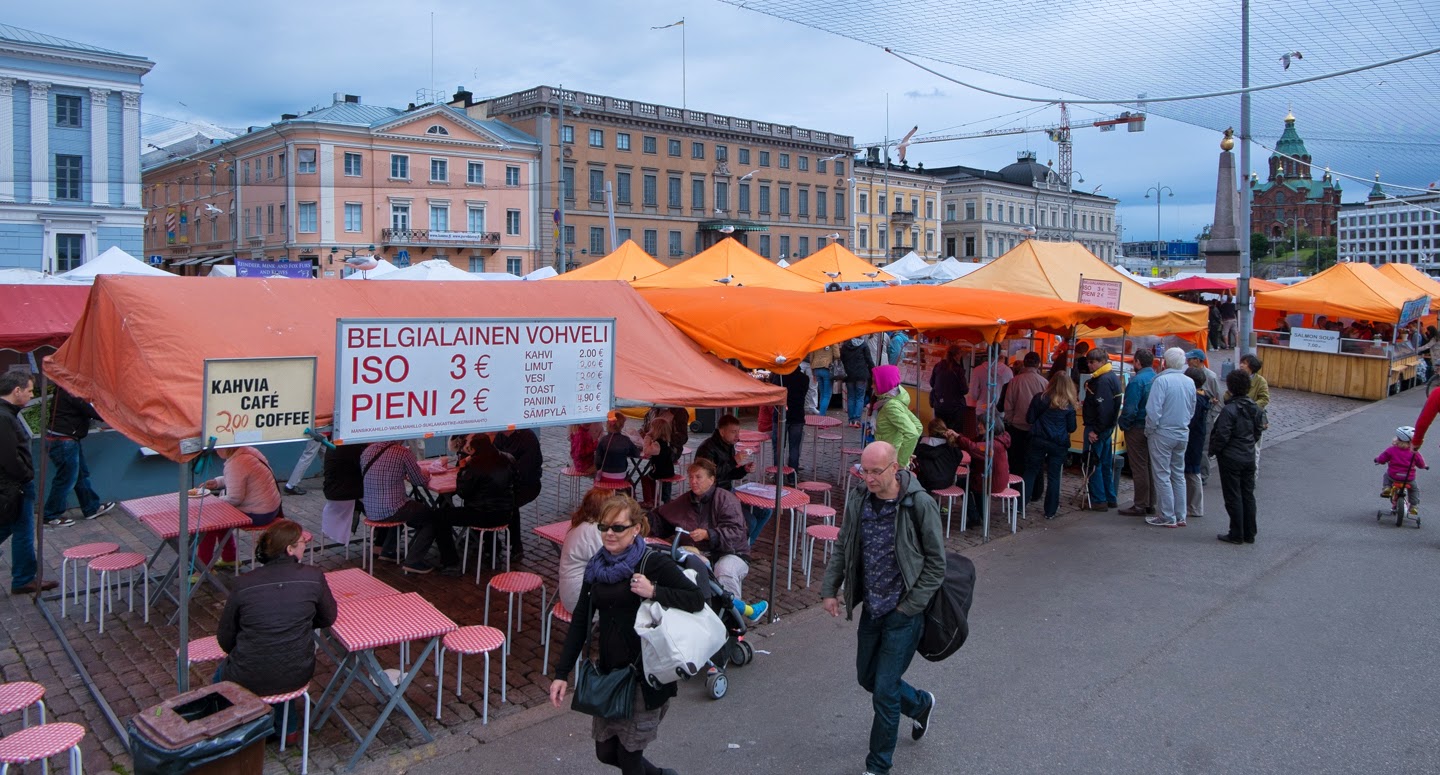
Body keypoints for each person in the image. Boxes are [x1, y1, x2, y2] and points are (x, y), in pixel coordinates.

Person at [550, 496, 703, 775]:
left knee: (630, 756)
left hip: (644, 675)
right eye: (604, 526)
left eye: (618, 527)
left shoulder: (650, 563)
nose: (609, 533)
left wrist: (654, 591)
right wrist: (561, 673)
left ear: (635, 529)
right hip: (611, 673)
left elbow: (696, 599)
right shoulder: (597, 567)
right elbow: (581, 619)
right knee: (606, 751)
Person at [821, 441, 945, 775]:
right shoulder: (859, 498)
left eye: (876, 471)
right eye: (864, 470)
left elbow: (937, 563)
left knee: (885, 691)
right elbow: (844, 545)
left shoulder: (918, 504)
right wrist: (830, 588)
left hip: (903, 613)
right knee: (868, 678)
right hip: (872, 608)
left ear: (896, 468)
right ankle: (920, 704)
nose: (869, 478)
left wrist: (909, 607)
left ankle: (877, 766)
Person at [215, 519, 336, 736]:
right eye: (302, 542)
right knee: (278, 662)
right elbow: (327, 618)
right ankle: (286, 730)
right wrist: (299, 621)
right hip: (297, 671)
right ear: (289, 549)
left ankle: (233, 728)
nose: (305, 545)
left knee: (227, 676)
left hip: (249, 672)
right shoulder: (313, 576)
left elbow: (226, 637)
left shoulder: (244, 582)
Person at [653, 459, 768, 620]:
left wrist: (709, 534)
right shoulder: (685, 500)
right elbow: (662, 519)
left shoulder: (725, 499)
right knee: (681, 566)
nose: (693, 481)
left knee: (724, 571)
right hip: (701, 554)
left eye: (698, 477)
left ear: (711, 479)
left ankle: (730, 621)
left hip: (732, 552)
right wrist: (641, 523)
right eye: (691, 477)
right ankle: (695, 616)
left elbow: (736, 533)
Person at [403, 434, 513, 575]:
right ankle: (492, 551)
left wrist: (462, 468)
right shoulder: (507, 459)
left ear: (473, 448)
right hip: (505, 513)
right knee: (451, 513)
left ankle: (451, 562)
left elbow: (462, 492)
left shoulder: (474, 464)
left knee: (439, 516)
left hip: (482, 515)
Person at [0, 371, 56, 595]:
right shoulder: (4, 417)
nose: (31, 395)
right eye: (30, 390)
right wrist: (25, 475)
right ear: (17, 391)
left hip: (13, 483)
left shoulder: (6, 415)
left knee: (11, 526)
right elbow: (9, 455)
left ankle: (24, 576)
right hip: (15, 484)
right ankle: (24, 577)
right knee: (22, 528)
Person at [42, 384, 115, 527]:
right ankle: (50, 515)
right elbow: (91, 410)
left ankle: (91, 508)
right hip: (64, 441)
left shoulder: (67, 388)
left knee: (80, 475)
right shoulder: (71, 390)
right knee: (66, 479)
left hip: (66, 439)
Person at [199, 446, 283, 567]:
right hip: (272, 508)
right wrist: (217, 482)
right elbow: (241, 478)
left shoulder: (236, 463)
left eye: (218, 448)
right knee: (222, 516)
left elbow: (234, 499)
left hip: (259, 514)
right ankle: (230, 558)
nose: (216, 451)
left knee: (209, 523)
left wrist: (213, 502)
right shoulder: (249, 452)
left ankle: (202, 567)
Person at [1144, 349, 1196, 528]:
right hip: (1181, 431)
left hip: (1163, 432)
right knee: (1177, 474)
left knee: (1162, 474)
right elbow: (1191, 409)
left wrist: (1150, 430)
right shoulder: (1189, 382)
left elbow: (1153, 410)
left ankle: (1167, 514)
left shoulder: (1162, 381)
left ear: (1164, 362)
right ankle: (1180, 515)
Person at [1212, 370, 1264, 544]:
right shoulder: (1254, 407)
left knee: (1233, 495)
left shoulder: (1230, 409)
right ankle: (1249, 532)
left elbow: (1222, 435)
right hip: (1247, 455)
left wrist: (1215, 450)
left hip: (1231, 456)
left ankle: (1236, 532)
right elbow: (1258, 431)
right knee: (1247, 494)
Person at [360, 439, 430, 562]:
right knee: (433, 517)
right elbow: (419, 481)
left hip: (370, 509)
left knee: (404, 505)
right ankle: (414, 561)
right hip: (391, 510)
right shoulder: (402, 452)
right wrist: (426, 474)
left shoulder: (367, 450)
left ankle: (387, 550)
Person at [1024, 373, 1079, 520]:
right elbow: (1072, 428)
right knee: (1054, 477)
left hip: (1039, 439)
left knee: (1031, 471)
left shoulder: (1040, 398)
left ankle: (1021, 505)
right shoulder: (1069, 404)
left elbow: (1029, 418)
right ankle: (1050, 510)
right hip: (1058, 442)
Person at [945, 419, 1011, 523]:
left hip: (992, 481)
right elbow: (971, 442)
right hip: (992, 478)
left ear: (991, 426)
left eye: (982, 424)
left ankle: (975, 516)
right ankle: (980, 515)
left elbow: (973, 447)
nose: (979, 426)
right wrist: (958, 437)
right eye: (979, 423)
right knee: (973, 483)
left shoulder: (993, 444)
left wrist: (958, 437)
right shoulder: (994, 439)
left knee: (964, 483)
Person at [558, 487, 613, 613]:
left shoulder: (580, 524)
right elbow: (610, 561)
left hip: (571, 591)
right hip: (581, 600)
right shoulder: (593, 530)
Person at [1080, 348, 1122, 511]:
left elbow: (1104, 409)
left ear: (1102, 362)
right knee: (1104, 463)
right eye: (1089, 362)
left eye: (1092, 362)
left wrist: (1095, 431)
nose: (1089, 365)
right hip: (1106, 428)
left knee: (1094, 464)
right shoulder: (1111, 377)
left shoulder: (1103, 381)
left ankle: (1099, 499)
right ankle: (1110, 497)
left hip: (1097, 428)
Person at [1117, 349, 1157, 517]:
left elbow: (1130, 408)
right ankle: (1150, 502)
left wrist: (1124, 424)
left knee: (1139, 466)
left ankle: (1140, 504)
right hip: (1151, 426)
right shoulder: (1155, 378)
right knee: (1148, 465)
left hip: (1137, 426)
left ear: (1138, 362)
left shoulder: (1137, 381)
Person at [1001, 352, 1049, 484]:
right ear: (1038, 364)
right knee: (1036, 461)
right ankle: (1035, 490)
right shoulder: (1044, 382)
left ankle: (1016, 487)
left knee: (1016, 460)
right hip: (1037, 428)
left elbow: (1008, 404)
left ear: (1024, 363)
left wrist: (1010, 420)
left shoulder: (1015, 381)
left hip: (1017, 426)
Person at [495, 427, 542, 560]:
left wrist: (503, 476)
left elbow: (527, 469)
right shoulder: (500, 435)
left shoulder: (528, 437)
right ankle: (488, 543)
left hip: (527, 484)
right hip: (505, 481)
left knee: (509, 501)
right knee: (485, 496)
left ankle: (516, 546)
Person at [871, 365, 923, 470]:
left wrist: (900, 462)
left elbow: (912, 433)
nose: (872, 386)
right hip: (887, 456)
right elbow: (918, 426)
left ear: (884, 383)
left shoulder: (891, 405)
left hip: (887, 461)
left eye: (874, 382)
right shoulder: (894, 400)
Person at [320, 440, 369, 547]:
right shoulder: (354, 448)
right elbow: (367, 468)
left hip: (332, 491)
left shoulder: (336, 444)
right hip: (347, 493)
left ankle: (380, 542)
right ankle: (382, 545)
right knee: (385, 506)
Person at [695, 414, 754, 492]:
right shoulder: (707, 448)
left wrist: (744, 469)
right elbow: (710, 475)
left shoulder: (728, 445)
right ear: (722, 432)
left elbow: (728, 474)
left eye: (738, 432)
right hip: (710, 492)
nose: (737, 436)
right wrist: (734, 461)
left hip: (725, 489)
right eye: (733, 432)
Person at [1183, 367, 1212, 524]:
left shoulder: (1197, 399)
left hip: (1193, 439)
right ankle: (1192, 505)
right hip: (1196, 438)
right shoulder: (1202, 397)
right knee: (1191, 471)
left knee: (1192, 471)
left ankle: (1194, 507)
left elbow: (1191, 420)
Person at [1377, 426, 1426, 516]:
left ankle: (1387, 487)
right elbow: (1420, 463)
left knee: (1386, 476)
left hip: (1393, 476)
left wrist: (1378, 460)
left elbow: (1382, 458)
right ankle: (1413, 506)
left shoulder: (1391, 450)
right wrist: (1424, 466)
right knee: (1414, 489)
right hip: (1408, 479)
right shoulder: (1414, 452)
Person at [773, 368, 809, 481]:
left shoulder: (778, 377)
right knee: (794, 448)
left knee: (778, 448)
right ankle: (793, 476)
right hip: (797, 416)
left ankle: (778, 476)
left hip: (780, 415)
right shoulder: (804, 378)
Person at [928, 344, 970, 434]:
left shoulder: (938, 366)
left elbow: (932, 383)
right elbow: (964, 390)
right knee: (953, 433)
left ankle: (940, 447)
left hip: (939, 405)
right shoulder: (958, 370)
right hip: (954, 408)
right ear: (957, 355)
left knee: (940, 431)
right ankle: (951, 448)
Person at [639, 413, 678, 506]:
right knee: (664, 486)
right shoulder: (667, 442)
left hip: (659, 472)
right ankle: (664, 499)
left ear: (656, 430)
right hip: (669, 470)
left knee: (645, 479)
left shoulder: (657, 444)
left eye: (652, 428)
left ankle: (650, 500)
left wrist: (647, 437)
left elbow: (646, 451)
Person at [595, 411, 641, 484]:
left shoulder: (603, 440)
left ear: (608, 424)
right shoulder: (626, 440)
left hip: (605, 477)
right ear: (622, 426)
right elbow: (637, 454)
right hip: (620, 477)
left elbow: (598, 460)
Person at [841, 337, 876, 428]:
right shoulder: (864, 345)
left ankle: (851, 420)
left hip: (849, 375)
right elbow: (869, 360)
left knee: (851, 397)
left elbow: (842, 359)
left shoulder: (845, 345)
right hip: (861, 375)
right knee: (860, 397)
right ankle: (857, 420)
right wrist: (874, 372)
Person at [809, 344, 841, 416]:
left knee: (822, 393)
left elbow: (811, 357)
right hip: (827, 368)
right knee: (827, 395)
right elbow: (837, 355)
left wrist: (813, 371)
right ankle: (821, 417)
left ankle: (821, 413)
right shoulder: (832, 340)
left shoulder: (817, 340)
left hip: (816, 368)